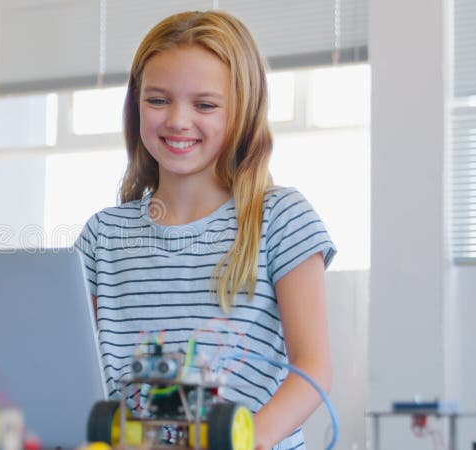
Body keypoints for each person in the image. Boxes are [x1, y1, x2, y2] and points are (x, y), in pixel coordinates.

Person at [74, 10, 336, 450]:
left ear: (243, 111)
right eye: (158, 100)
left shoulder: (280, 218)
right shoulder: (103, 236)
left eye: (205, 105)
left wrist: (250, 440)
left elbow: (314, 367)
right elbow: (68, 359)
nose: (177, 120)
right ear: (136, 103)